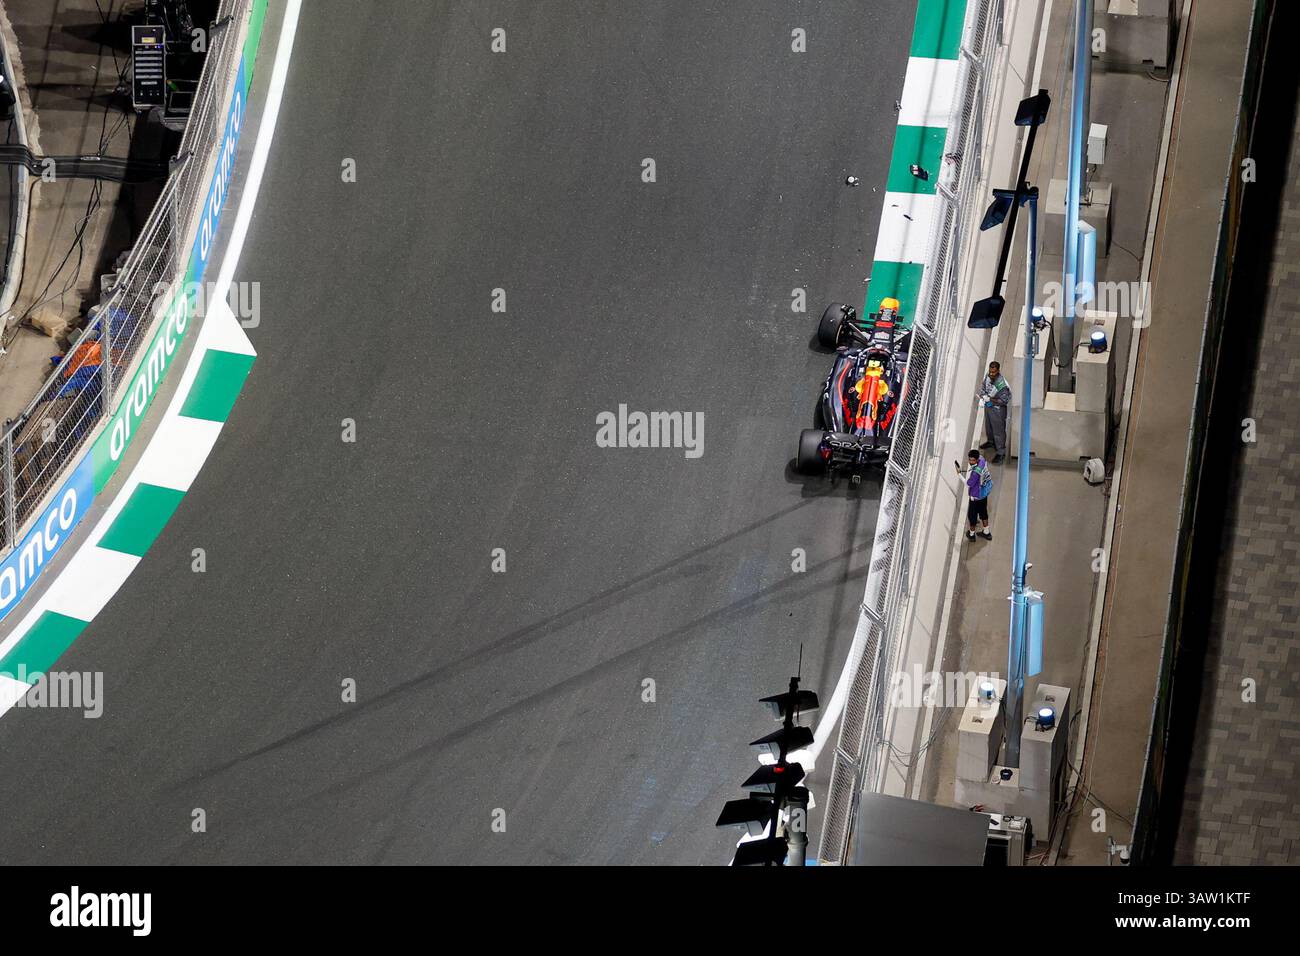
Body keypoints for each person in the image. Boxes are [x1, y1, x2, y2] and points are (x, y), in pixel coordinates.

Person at [978, 361, 1011, 463]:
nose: (991, 374)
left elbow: (1004, 401)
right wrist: (983, 396)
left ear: (998, 371)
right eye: (990, 371)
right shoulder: (988, 376)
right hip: (988, 406)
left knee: (998, 431)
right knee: (989, 426)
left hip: (998, 410)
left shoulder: (1001, 385)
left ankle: (1001, 452)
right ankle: (991, 442)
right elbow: (983, 388)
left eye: (994, 372)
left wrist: (990, 400)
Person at [964, 449, 993, 541]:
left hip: (975, 497)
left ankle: (971, 535)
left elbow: (969, 483)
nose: (970, 462)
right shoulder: (982, 460)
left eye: (972, 460)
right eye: (969, 459)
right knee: (983, 512)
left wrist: (960, 475)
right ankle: (986, 532)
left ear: (976, 460)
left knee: (972, 516)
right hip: (984, 494)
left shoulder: (976, 473)